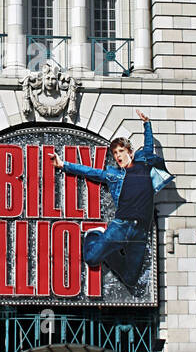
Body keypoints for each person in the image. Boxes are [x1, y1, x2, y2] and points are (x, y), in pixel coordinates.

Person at [50, 111, 173, 290]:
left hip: (140, 231)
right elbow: (91, 172)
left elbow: (148, 146)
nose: (118, 156)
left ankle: (110, 249)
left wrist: (147, 124)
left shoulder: (144, 164)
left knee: (131, 279)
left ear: (130, 152)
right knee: (91, 258)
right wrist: (63, 165)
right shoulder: (113, 175)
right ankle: (95, 235)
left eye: (121, 151)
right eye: (115, 153)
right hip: (121, 226)